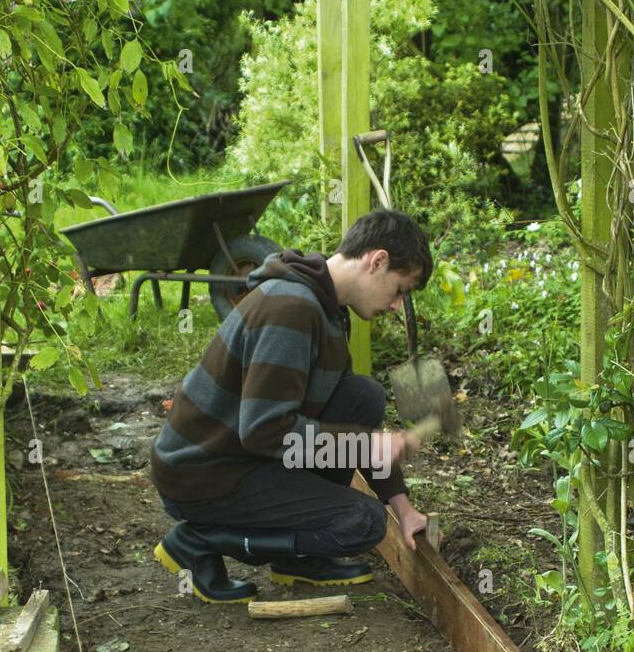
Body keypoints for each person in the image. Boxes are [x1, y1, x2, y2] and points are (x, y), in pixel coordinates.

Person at [150, 208, 433, 602]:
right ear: (378, 260)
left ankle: (300, 559)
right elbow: (266, 430)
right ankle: (197, 541)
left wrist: (402, 506)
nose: (396, 306)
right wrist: (366, 446)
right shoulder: (291, 308)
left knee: (361, 395)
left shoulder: (326, 307)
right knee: (362, 523)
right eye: (401, 290)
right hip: (204, 473)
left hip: (244, 455)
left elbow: (336, 413)